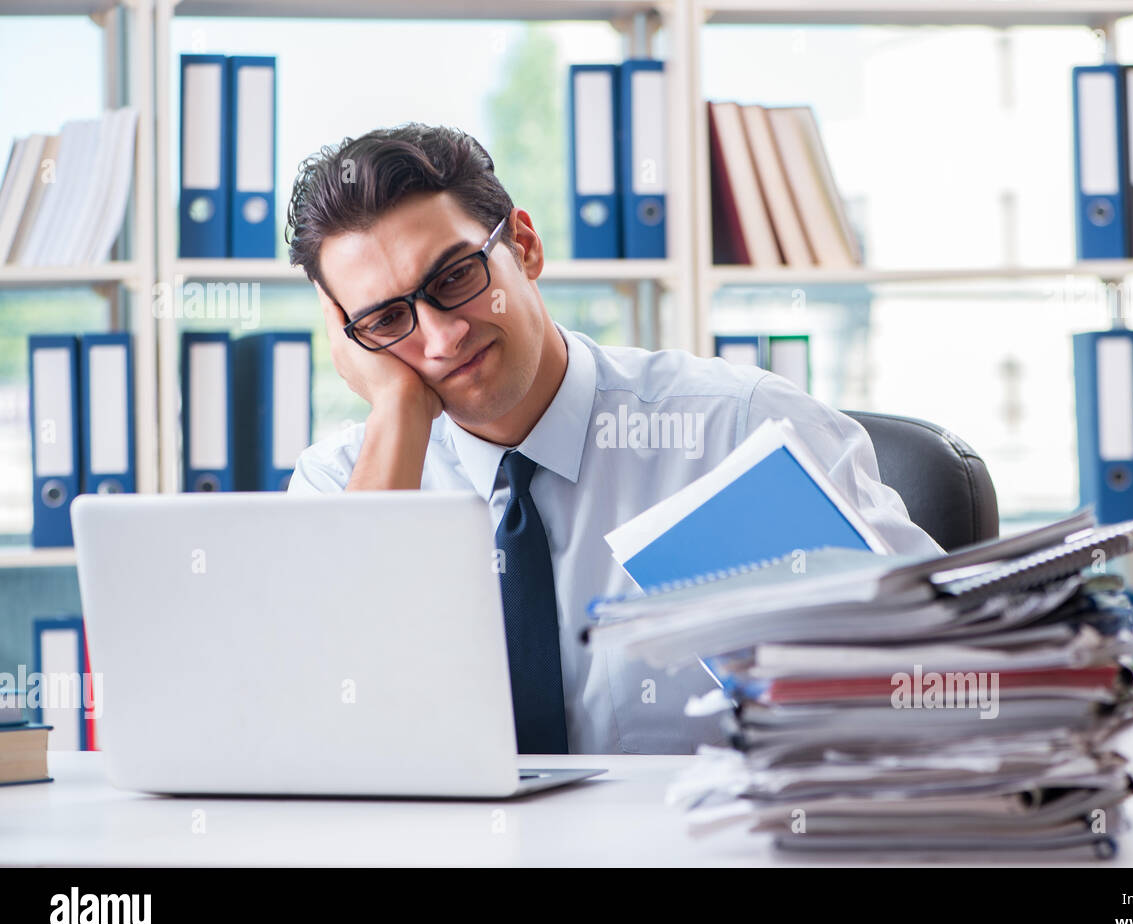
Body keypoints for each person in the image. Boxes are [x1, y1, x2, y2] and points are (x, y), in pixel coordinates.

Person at [285, 122, 943, 755]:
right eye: (387, 318)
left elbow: (945, 685)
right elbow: (321, 728)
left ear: (525, 246)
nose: (441, 337)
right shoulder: (343, 480)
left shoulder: (745, 432)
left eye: (457, 276)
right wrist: (398, 406)